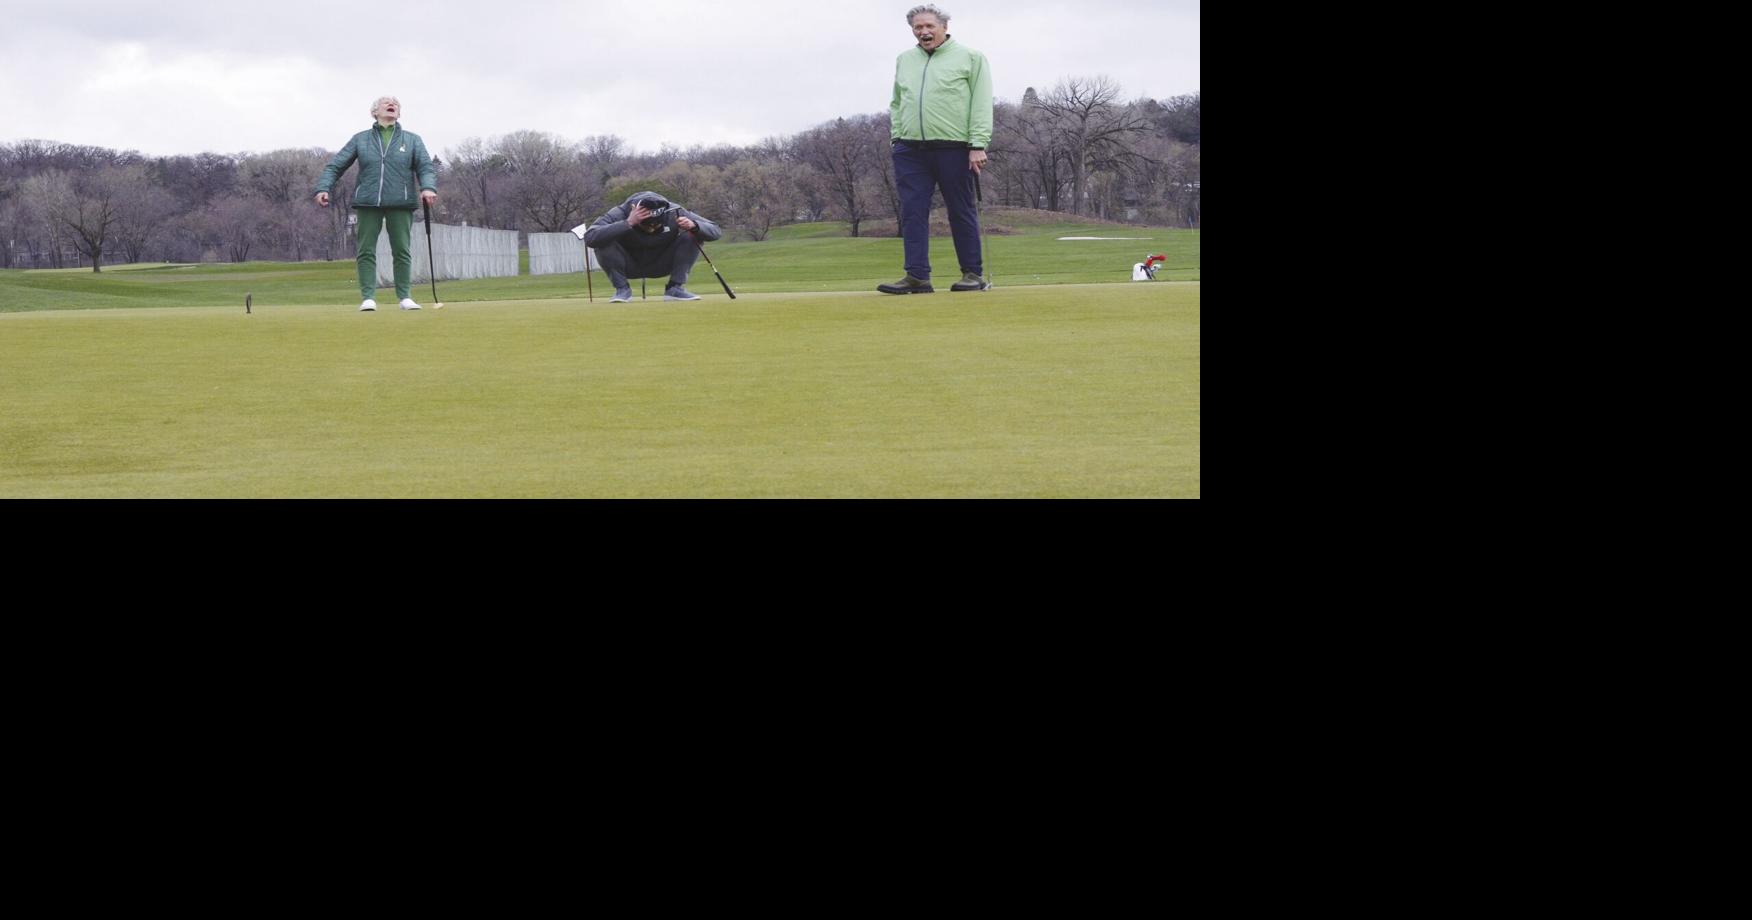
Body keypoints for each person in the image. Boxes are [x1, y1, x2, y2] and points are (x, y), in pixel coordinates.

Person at [879, 4, 993, 295]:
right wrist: (896, 138)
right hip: (910, 149)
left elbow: (981, 103)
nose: (924, 32)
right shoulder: (905, 59)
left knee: (960, 210)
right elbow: (896, 101)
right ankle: (917, 276)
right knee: (912, 212)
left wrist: (977, 144)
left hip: (955, 148)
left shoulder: (971, 57)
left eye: (929, 26)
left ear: (943, 26)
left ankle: (972, 274)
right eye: (918, 27)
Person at [313, 96, 438, 311]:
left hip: (401, 201)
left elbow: (425, 167)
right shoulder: (361, 139)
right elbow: (335, 166)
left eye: (396, 104)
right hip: (368, 202)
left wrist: (428, 187)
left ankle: (405, 297)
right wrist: (324, 188)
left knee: (401, 250)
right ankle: (368, 297)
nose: (392, 105)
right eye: (386, 103)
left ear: (399, 113)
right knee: (366, 250)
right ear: (375, 111)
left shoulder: (412, 140)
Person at [582, 191, 722, 302]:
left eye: (656, 224)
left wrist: (695, 225)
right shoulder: (619, 213)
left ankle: (675, 289)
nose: (652, 228)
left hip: (662, 264)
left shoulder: (675, 211)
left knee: (691, 235)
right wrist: (627, 223)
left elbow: (715, 230)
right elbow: (590, 237)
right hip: (629, 265)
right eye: (647, 224)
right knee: (603, 239)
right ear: (633, 210)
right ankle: (622, 290)